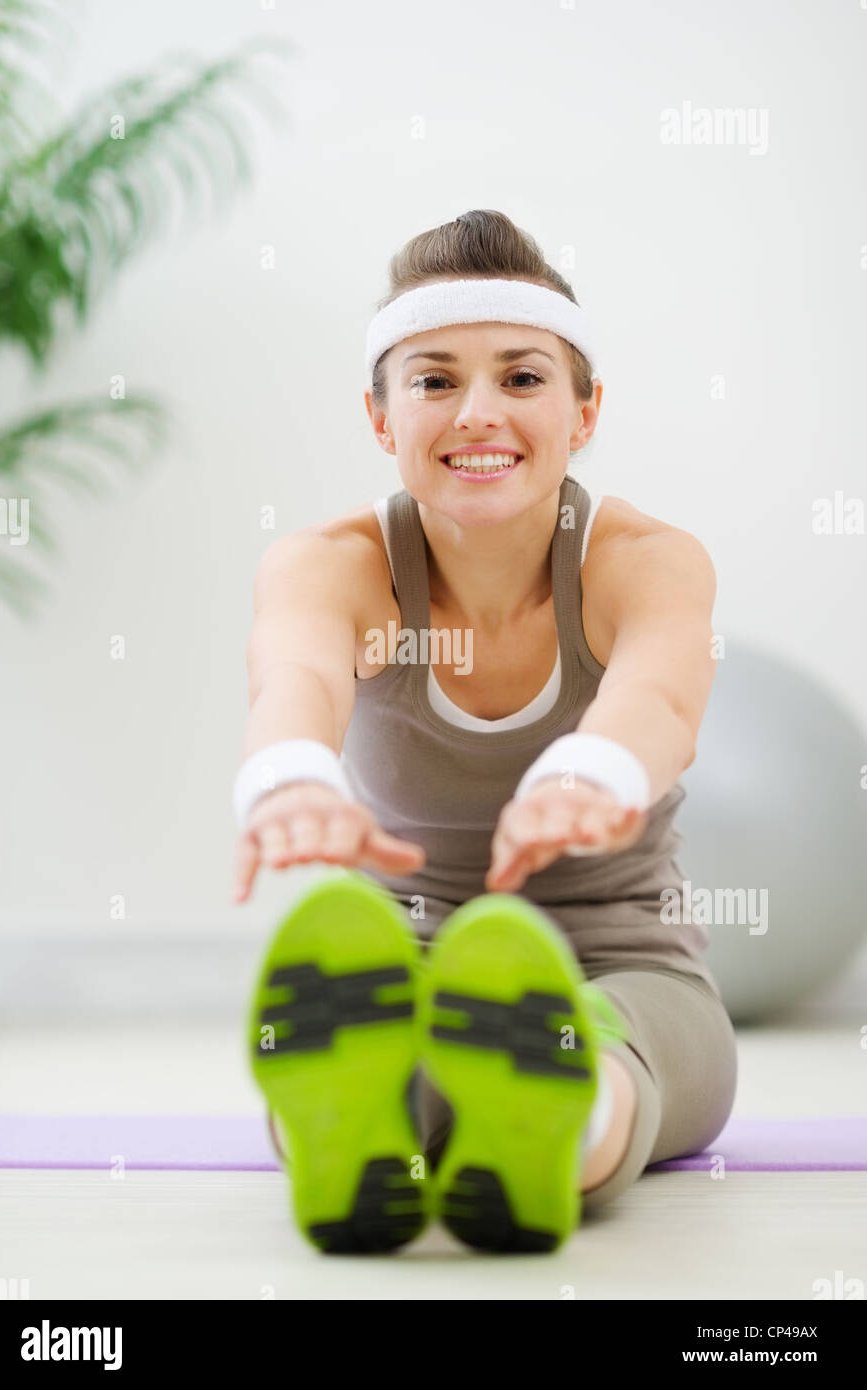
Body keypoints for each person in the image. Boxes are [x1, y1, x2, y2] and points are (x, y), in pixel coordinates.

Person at [231, 209, 737, 1254]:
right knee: (395, 1056)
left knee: (608, 1044)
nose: (476, 414)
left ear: (583, 411)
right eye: (431, 380)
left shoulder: (645, 559)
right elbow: (295, 678)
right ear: (379, 418)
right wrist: (288, 780)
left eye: (519, 377)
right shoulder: (330, 564)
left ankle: (548, 1117)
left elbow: (660, 700)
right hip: (403, 949)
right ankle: (345, 1112)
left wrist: (591, 770)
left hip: (621, 961)